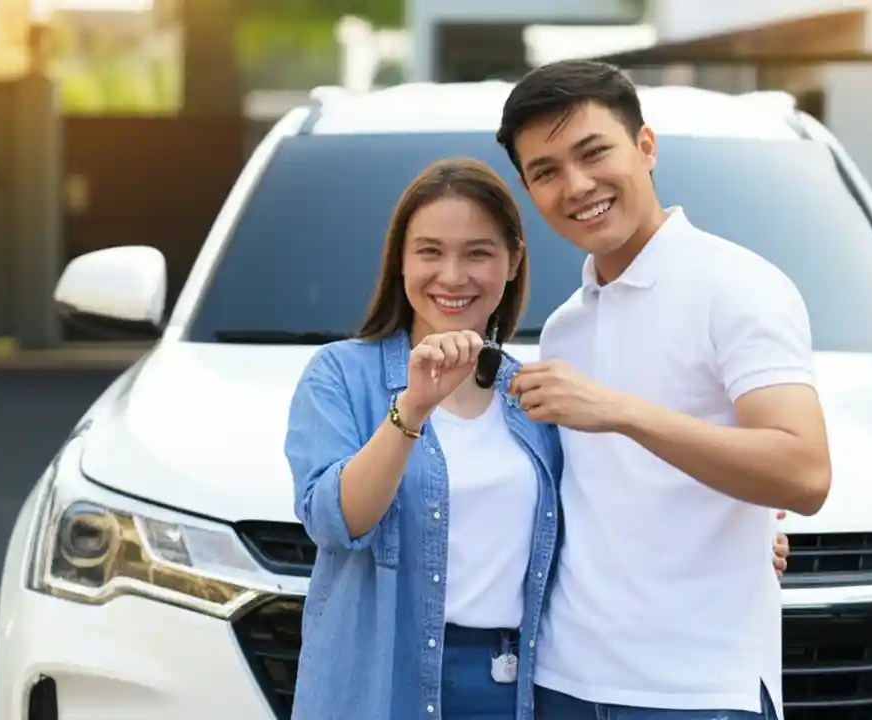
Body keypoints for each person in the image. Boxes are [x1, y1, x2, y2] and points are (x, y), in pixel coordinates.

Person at [283, 158, 794, 720]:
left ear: (512, 262)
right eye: (430, 251)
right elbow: (335, 522)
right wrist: (413, 407)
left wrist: (738, 532)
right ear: (400, 261)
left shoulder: (532, 392)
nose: (452, 276)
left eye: (478, 253)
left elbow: (606, 501)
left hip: (512, 686)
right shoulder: (340, 375)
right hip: (380, 681)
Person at [495, 60, 833, 720]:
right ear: (530, 190)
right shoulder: (565, 328)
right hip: (564, 680)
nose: (577, 185)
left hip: (697, 692)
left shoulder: (737, 286)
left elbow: (804, 473)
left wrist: (620, 412)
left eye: (594, 152)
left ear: (645, 147)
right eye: (546, 171)